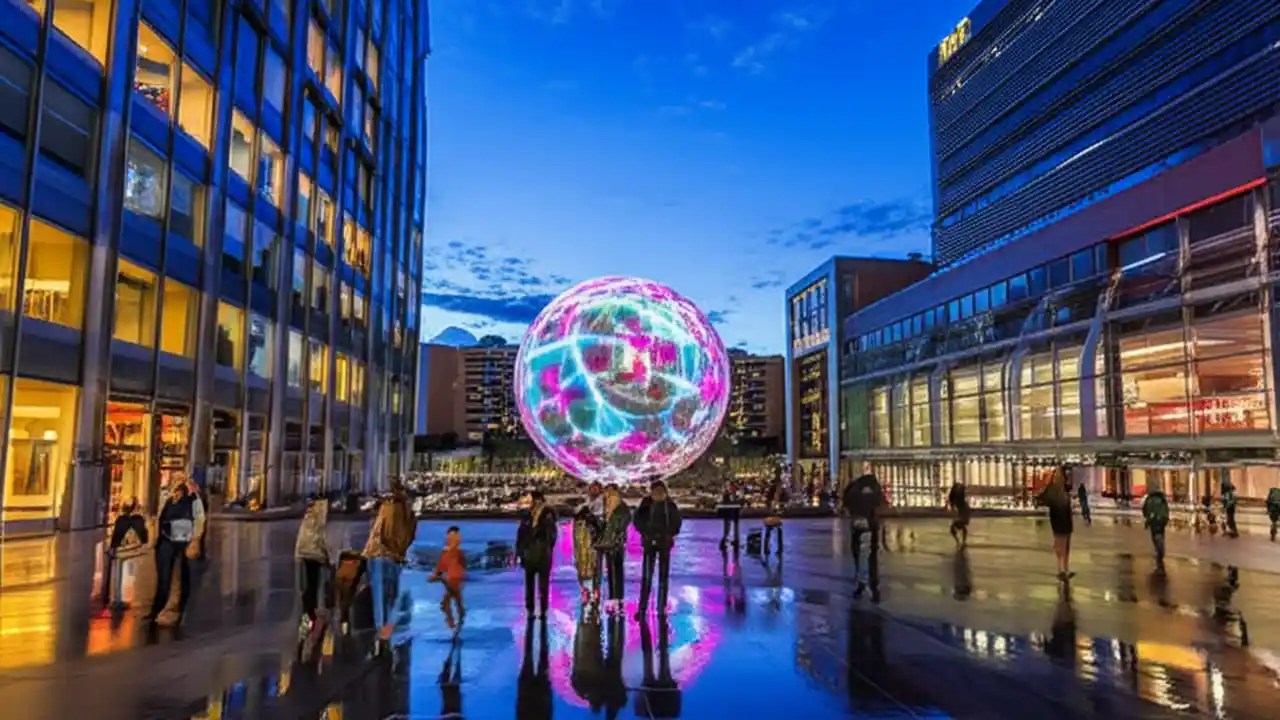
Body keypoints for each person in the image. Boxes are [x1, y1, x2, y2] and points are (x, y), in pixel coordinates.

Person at [363, 483, 417, 652]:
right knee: (393, 594)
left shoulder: (386, 507)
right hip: (392, 556)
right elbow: (407, 535)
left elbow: (381, 532)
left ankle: (382, 632)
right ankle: (386, 631)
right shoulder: (405, 511)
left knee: (380, 594)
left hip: (375, 554)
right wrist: (400, 553)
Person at [147, 481, 203, 626]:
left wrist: (195, 540)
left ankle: (176, 612)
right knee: (164, 578)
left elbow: (200, 519)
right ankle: (157, 610)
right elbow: (159, 518)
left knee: (182, 578)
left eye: (177, 489)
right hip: (166, 541)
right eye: (173, 489)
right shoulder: (167, 501)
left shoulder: (193, 501)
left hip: (183, 542)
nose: (175, 492)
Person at [633, 479, 683, 618]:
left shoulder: (670, 505)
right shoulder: (646, 504)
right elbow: (637, 520)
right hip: (649, 543)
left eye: (660, 490)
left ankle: (661, 607)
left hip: (664, 544)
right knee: (647, 576)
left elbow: (676, 522)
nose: (658, 493)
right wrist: (646, 533)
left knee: (663, 577)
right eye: (655, 490)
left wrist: (669, 534)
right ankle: (642, 608)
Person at [842, 464, 886, 599]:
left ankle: (860, 583)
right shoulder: (875, 489)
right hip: (871, 525)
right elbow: (880, 504)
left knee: (858, 554)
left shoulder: (853, 488)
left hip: (857, 524)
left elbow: (846, 503)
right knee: (872, 557)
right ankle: (874, 588)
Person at [516, 490, 558, 618]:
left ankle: (543, 609)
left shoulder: (548, 515)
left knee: (543, 584)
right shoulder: (526, 516)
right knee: (529, 584)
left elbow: (552, 536)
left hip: (542, 554)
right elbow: (521, 535)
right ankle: (530, 609)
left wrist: (546, 547)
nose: (532, 503)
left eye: (533, 500)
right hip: (529, 555)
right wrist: (520, 553)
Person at [294, 496, 331, 632]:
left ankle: (307, 617)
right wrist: (327, 557)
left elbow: (301, 538)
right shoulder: (319, 519)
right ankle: (313, 616)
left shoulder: (308, 517)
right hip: (314, 556)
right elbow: (321, 539)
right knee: (315, 585)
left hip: (303, 554)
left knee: (307, 586)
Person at [106, 499, 149, 609]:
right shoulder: (138, 519)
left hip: (120, 550)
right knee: (129, 575)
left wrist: (112, 548)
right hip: (133, 551)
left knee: (118, 574)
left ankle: (116, 599)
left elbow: (116, 535)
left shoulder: (121, 519)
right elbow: (143, 536)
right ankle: (124, 598)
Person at [596, 486, 631, 615]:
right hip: (608, 543)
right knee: (610, 570)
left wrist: (616, 534)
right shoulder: (606, 508)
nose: (608, 495)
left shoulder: (621, 508)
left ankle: (617, 599)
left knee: (617, 570)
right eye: (607, 493)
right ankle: (613, 598)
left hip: (617, 544)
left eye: (611, 493)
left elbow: (624, 523)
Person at [1036, 466, 1074, 582]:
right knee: (1062, 545)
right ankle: (1062, 570)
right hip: (1060, 519)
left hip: (1063, 519)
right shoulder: (1054, 489)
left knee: (1064, 545)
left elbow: (1042, 499)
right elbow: (1042, 499)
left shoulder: (1062, 489)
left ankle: (1064, 569)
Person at [429, 526, 466, 632]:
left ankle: (454, 624)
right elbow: (441, 566)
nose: (456, 539)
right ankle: (455, 624)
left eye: (456, 537)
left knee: (450, 601)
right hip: (453, 579)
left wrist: (436, 575)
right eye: (453, 537)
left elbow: (442, 567)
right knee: (453, 601)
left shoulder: (456, 553)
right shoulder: (450, 553)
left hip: (454, 579)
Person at [573, 483, 604, 603]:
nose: (593, 491)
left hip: (595, 541)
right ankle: (585, 589)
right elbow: (577, 521)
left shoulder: (602, 505)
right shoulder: (584, 505)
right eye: (592, 489)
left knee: (596, 566)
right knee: (581, 565)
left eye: (596, 489)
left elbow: (600, 522)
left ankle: (595, 590)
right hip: (582, 541)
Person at [1142, 488, 1170, 567]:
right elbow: (1166, 509)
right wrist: (1166, 518)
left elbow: (1144, 509)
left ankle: (1158, 550)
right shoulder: (1162, 499)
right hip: (1162, 520)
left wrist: (1147, 517)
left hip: (1153, 520)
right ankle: (1161, 549)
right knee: (1161, 533)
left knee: (1154, 535)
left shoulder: (1149, 499)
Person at [717, 481, 743, 550]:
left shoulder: (736, 493)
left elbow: (740, 500)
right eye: (729, 486)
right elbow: (721, 501)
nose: (731, 488)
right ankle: (725, 541)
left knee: (734, 526)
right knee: (727, 527)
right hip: (728, 511)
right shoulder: (726, 494)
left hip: (734, 510)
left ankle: (735, 541)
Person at [762, 482, 784, 556]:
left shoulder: (769, 498)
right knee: (779, 533)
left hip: (769, 519)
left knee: (768, 533)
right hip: (774, 519)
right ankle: (779, 549)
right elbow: (776, 510)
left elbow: (768, 510)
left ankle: (766, 549)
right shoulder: (776, 498)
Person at [946, 481, 971, 547]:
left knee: (960, 525)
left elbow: (953, 506)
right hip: (962, 512)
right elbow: (952, 506)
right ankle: (961, 542)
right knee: (959, 527)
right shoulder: (954, 497)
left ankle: (962, 542)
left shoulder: (958, 497)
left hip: (964, 511)